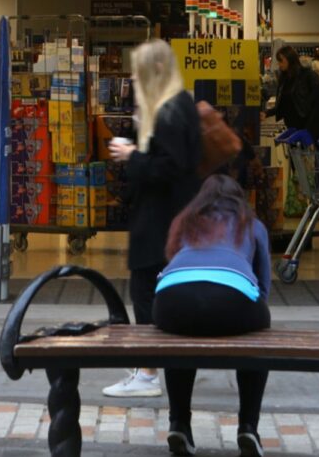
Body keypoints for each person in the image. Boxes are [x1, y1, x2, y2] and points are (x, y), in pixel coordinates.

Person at [104, 40, 203, 398]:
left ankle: (147, 372)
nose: (131, 78)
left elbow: (169, 168)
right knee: (155, 291)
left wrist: (132, 154)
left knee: (147, 293)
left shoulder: (169, 111)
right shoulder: (176, 106)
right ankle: (152, 366)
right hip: (172, 222)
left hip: (161, 223)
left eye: (137, 71)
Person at [154, 175, 271, 457]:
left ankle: (179, 423)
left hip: (172, 301)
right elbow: (264, 287)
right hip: (233, 299)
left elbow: (172, 261)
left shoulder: (186, 223)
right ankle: (248, 427)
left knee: (179, 339)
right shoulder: (252, 225)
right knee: (258, 338)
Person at [268, 44, 319, 133]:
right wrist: (266, 113)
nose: (279, 64)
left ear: (290, 59)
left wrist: (312, 121)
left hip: (306, 126)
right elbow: (282, 104)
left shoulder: (307, 75)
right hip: (290, 126)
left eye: (281, 61)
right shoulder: (284, 78)